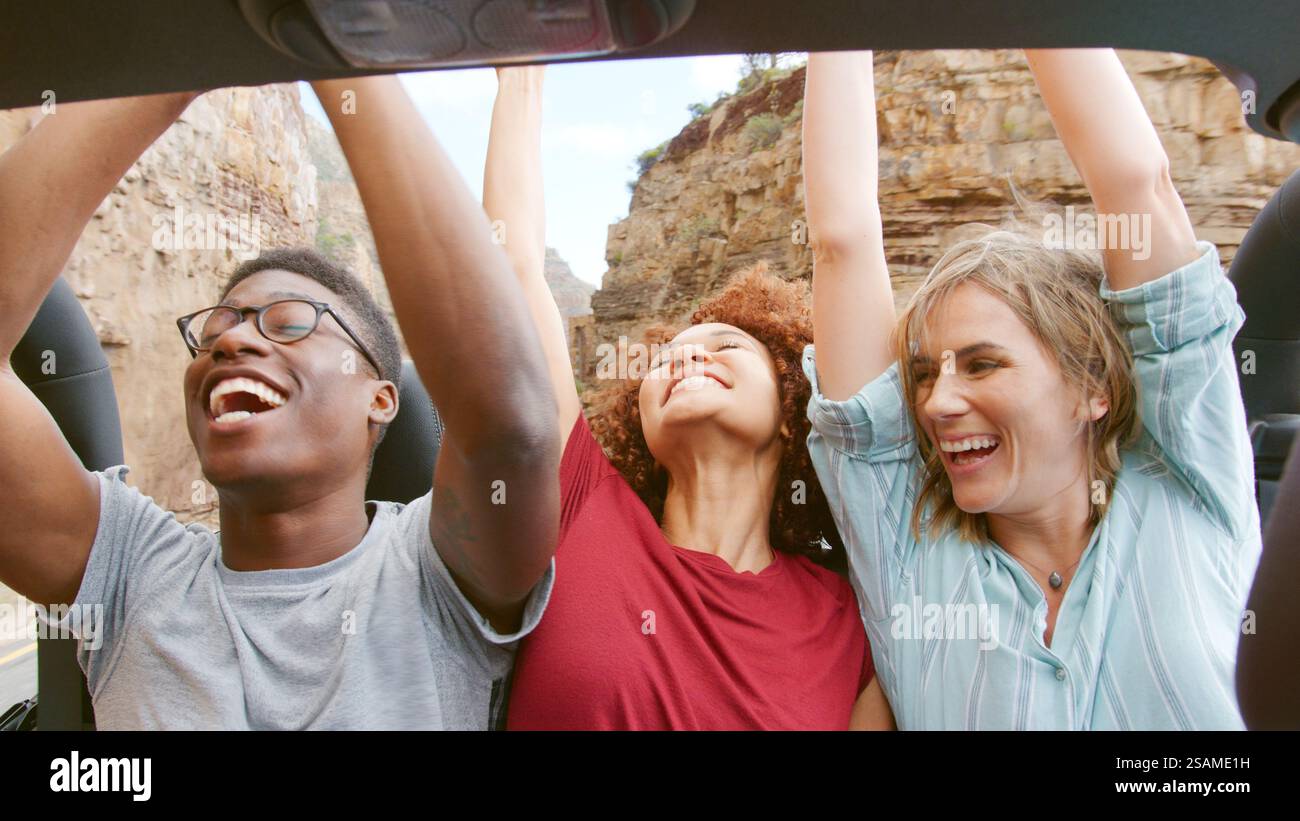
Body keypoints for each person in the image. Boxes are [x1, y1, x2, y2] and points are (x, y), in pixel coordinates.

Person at [0, 77, 560, 729]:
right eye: (213, 333)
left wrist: (337, 56)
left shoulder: (436, 572)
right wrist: (180, 67)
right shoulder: (128, 565)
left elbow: (511, 426)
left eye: (288, 322)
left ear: (380, 399)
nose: (233, 340)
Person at [801, 49, 1261, 729]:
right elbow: (841, 240)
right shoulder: (908, 547)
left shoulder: (1187, 481)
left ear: (1090, 386)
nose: (936, 401)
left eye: (982, 364)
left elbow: (1137, 183)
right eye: (927, 372)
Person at [480, 66, 891, 730]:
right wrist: (519, 74)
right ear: (640, 422)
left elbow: (843, 238)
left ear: (791, 410)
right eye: (664, 360)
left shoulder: (847, 620)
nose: (688, 356)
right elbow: (511, 267)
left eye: (727, 347)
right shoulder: (583, 503)